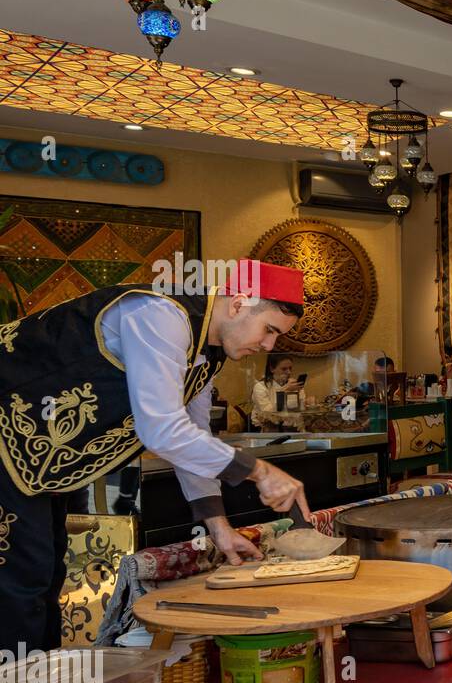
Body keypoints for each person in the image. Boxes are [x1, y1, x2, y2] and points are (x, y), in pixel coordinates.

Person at [0, 259, 311, 653]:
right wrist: (259, 471)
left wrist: (218, 526)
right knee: (18, 582)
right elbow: (161, 429)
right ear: (238, 304)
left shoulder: (205, 352)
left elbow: (191, 436)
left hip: (39, 462)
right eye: (269, 330)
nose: (268, 346)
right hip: (8, 438)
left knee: (46, 575)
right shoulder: (159, 313)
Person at [251, 353, 304, 430]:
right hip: (266, 428)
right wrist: (285, 391)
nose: (289, 372)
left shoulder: (293, 384)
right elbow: (268, 413)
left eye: (290, 368)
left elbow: (299, 410)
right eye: (284, 369)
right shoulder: (260, 387)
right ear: (272, 369)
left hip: (292, 427)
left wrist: (306, 402)